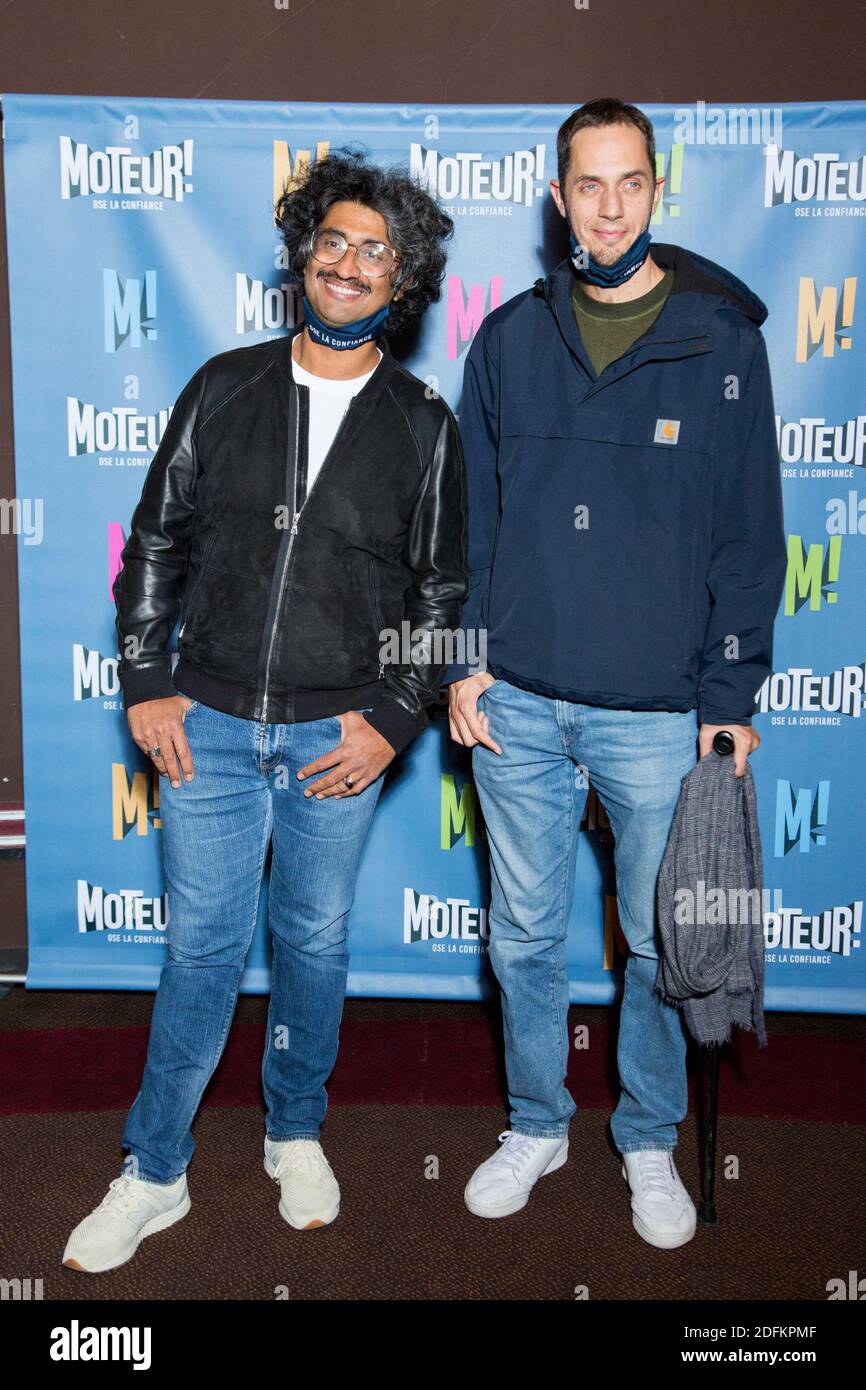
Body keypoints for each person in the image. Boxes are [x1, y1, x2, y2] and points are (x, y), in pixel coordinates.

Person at [63, 148, 468, 1273]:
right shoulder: (223, 386)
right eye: (331, 240)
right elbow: (154, 544)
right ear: (301, 253)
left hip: (342, 738)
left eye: (372, 251)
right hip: (211, 725)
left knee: (314, 942)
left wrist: (393, 714)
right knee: (199, 946)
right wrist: (147, 678)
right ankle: (155, 1167)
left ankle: (294, 1131)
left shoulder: (425, 425)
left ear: (404, 280)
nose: (346, 263)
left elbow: (444, 593)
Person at [446, 99, 786, 1248]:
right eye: (584, 185)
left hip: (657, 714)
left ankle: (645, 1134)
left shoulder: (721, 342)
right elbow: (468, 524)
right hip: (519, 704)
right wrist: (459, 661)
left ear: (656, 190)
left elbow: (750, 536)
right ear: (557, 200)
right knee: (522, 935)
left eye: (626, 182)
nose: (605, 205)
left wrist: (727, 703)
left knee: (658, 944)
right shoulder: (506, 340)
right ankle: (536, 1121)